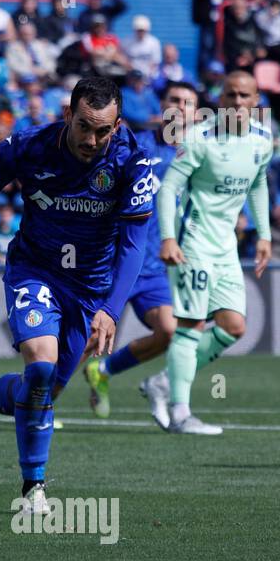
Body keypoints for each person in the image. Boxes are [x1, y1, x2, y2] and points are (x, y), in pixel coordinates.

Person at [0, 76, 156, 515]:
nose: (92, 140)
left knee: (43, 390)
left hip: (90, 288)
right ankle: (33, 487)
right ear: (67, 114)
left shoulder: (134, 160)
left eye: (103, 130)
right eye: (85, 127)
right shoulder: (29, 145)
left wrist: (111, 309)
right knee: (39, 368)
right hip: (34, 270)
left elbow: (134, 246)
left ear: (118, 125)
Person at [141, 72, 272, 435]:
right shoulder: (198, 138)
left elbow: (258, 182)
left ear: (256, 98)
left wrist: (264, 234)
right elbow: (168, 189)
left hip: (226, 247)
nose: (238, 101)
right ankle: (181, 413)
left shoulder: (263, 140)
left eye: (245, 95)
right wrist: (168, 238)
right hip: (193, 243)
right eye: (230, 94)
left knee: (234, 327)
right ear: (221, 99)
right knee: (191, 325)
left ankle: (163, 382)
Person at [83, 82, 199, 421]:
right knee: (87, 340)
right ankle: (41, 405)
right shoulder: (135, 146)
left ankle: (102, 372)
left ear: (196, 113)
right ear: (161, 106)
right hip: (112, 263)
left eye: (188, 103)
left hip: (152, 270)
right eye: (173, 100)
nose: (180, 107)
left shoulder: (199, 157)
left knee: (169, 331)